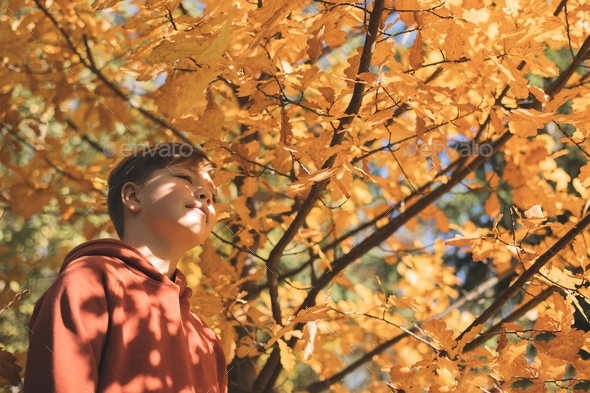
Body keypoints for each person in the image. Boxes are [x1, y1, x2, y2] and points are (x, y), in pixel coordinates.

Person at [23, 143, 227, 393]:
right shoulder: (90, 281)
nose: (206, 196)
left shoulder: (206, 339)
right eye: (185, 177)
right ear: (132, 196)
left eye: (213, 195)